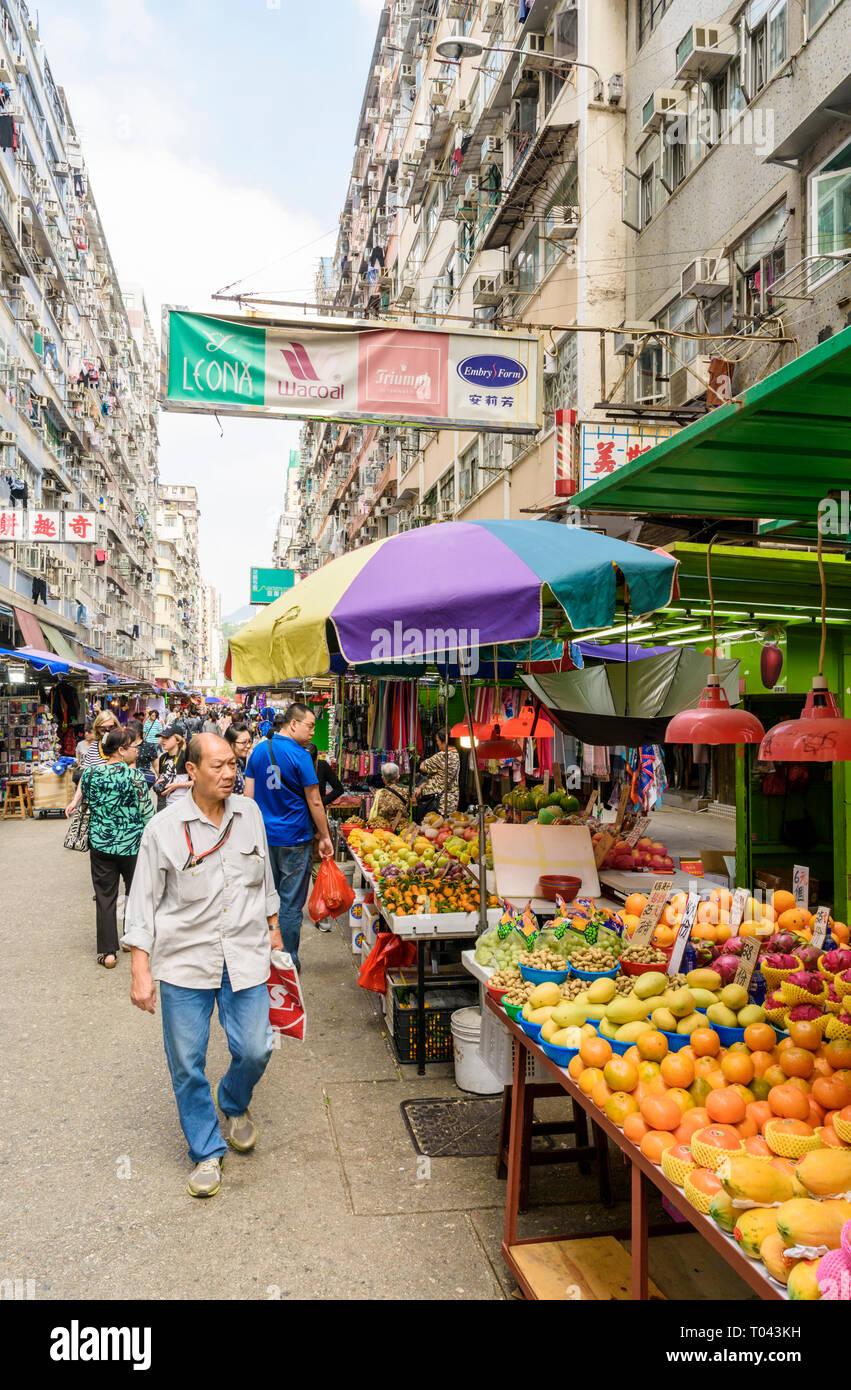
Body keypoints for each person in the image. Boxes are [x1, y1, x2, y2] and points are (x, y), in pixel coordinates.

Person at [123, 733, 281, 1199]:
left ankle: (233, 1101)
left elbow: (264, 876)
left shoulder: (249, 813)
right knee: (187, 1062)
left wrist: (274, 929)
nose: (229, 773)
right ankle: (206, 1150)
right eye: (218, 766)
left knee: (256, 1048)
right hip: (186, 962)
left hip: (246, 953)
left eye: (233, 764)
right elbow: (142, 903)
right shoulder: (164, 829)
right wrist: (140, 969)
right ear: (191, 771)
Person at [243, 702, 334, 971]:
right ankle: (288, 961)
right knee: (291, 904)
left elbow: (248, 798)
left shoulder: (258, 751)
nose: (312, 733)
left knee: (265, 897)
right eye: (309, 726)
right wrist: (325, 835)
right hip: (294, 838)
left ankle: (264, 957)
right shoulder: (301, 755)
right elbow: (315, 801)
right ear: (293, 724)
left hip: (263, 839)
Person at [65, 727, 152, 969]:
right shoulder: (135, 777)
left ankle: (108, 952)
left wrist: (75, 801)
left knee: (105, 897)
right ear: (121, 750)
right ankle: (130, 940)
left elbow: (84, 792)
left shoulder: (91, 773)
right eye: (134, 746)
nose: (137, 750)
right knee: (135, 893)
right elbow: (148, 814)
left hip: (101, 844)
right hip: (132, 845)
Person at [413, 727, 460, 823]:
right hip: (450, 800)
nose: (437, 743)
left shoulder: (443, 755)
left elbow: (423, 767)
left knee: (434, 828)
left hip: (439, 803)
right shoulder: (456, 755)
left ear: (444, 741)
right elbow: (440, 776)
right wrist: (422, 787)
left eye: (438, 740)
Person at [153, 724, 190, 812]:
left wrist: (177, 785)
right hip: (164, 805)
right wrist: (157, 783)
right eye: (162, 738)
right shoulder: (163, 757)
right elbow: (162, 777)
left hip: (182, 806)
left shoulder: (186, 756)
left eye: (167, 738)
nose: (163, 741)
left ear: (177, 740)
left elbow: (199, 781)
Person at [368, 762, 410, 832]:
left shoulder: (378, 793)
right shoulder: (405, 792)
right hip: (401, 829)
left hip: (383, 829)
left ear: (383, 778)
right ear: (398, 777)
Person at [307, 742, 345, 807]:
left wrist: (322, 802)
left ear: (316, 759)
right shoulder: (297, 766)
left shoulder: (322, 765)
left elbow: (339, 789)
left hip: (318, 810)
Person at [224, 723, 253, 794]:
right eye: (244, 742)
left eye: (249, 741)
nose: (248, 745)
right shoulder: (226, 768)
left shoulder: (239, 762)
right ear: (231, 743)